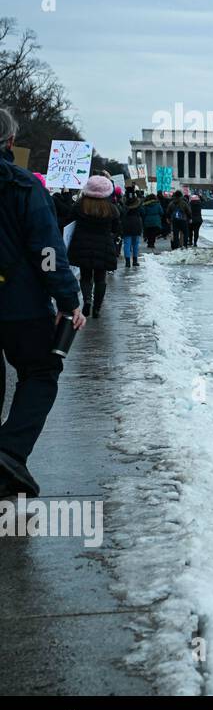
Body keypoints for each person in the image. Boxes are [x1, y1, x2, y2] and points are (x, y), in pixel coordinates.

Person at [0, 107, 85, 498]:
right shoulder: (23, 186)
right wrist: (68, 301)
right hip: (20, 303)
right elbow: (48, 252)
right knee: (41, 372)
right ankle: (10, 451)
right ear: (10, 142)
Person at [66, 175, 120, 318]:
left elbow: (69, 222)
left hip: (82, 245)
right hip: (103, 245)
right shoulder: (111, 208)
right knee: (100, 279)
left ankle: (87, 300)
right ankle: (97, 307)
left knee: (85, 277)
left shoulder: (80, 205)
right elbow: (116, 228)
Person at [121, 191, 144, 267]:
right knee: (135, 244)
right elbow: (142, 212)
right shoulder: (138, 204)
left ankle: (127, 262)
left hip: (126, 224)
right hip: (136, 224)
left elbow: (121, 214)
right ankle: (135, 261)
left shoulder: (124, 204)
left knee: (127, 244)